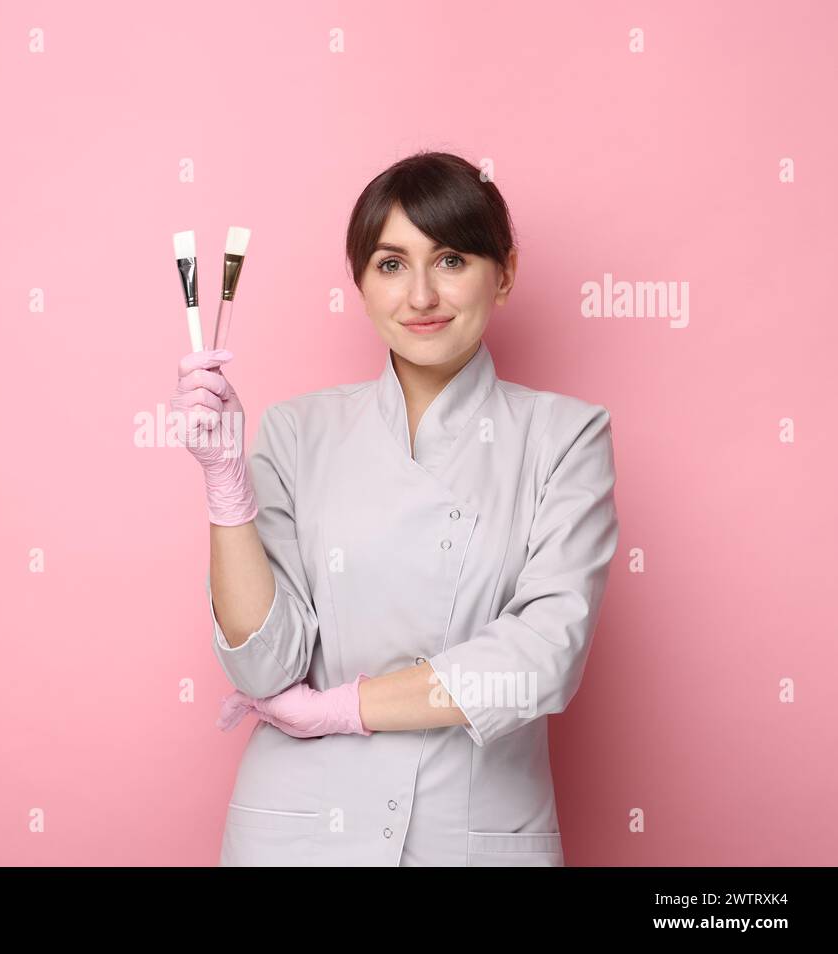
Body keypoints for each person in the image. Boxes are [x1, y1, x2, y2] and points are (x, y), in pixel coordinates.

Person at [172, 151, 620, 866]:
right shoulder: (298, 430)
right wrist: (225, 486)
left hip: (469, 835)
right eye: (390, 264)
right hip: (298, 830)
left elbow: (543, 656)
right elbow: (263, 668)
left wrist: (340, 708)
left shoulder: (565, 436)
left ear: (502, 274)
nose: (419, 296)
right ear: (360, 283)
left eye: (449, 260)